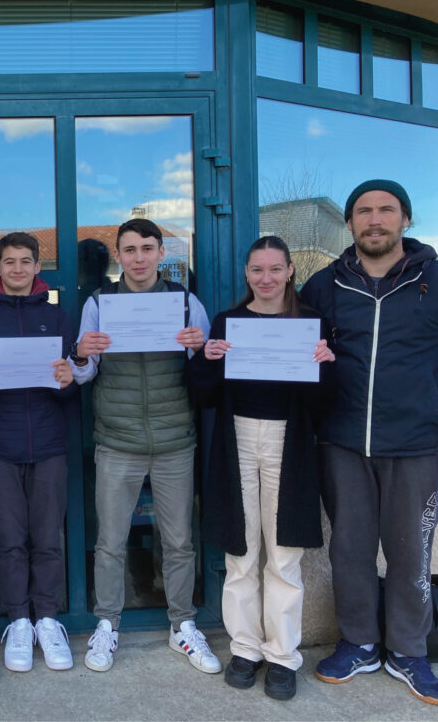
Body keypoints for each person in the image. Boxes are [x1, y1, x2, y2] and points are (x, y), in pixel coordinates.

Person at [300, 179, 438, 706]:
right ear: (351, 222)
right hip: (341, 439)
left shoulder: (432, 278)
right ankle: (358, 642)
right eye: (363, 211)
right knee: (349, 549)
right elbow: (295, 347)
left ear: (406, 218)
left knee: (410, 553)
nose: (374, 220)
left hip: (416, 441)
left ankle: (409, 651)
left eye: (386, 210)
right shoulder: (324, 284)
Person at [70, 218, 221, 675]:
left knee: (178, 542)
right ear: (118, 255)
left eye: (147, 248)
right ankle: (107, 624)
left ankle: (183, 626)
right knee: (110, 542)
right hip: (117, 440)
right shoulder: (98, 303)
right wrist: (80, 353)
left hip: (175, 439)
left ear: (161, 253)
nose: (138, 258)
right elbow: (85, 373)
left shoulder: (184, 302)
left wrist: (201, 348)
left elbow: (207, 374)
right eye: (130, 249)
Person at [190, 236, 335, 700]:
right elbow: (204, 395)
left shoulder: (310, 322)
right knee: (241, 553)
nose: (266, 278)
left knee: (285, 554)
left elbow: (324, 404)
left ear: (291, 270)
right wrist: (207, 360)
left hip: (288, 444)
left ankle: (282, 655)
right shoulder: (228, 322)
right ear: (247, 274)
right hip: (236, 439)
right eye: (257, 270)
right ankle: (245, 648)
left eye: (275, 269)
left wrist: (325, 367)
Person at [0, 232, 77, 672]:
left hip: (49, 444)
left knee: (48, 540)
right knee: (9, 542)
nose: (16, 269)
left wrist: (69, 380)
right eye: (8, 262)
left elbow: (71, 390)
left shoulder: (59, 318)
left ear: (36, 268)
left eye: (25, 261)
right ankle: (18, 622)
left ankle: (46, 620)